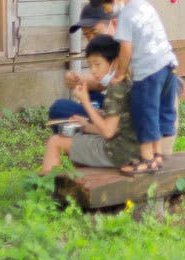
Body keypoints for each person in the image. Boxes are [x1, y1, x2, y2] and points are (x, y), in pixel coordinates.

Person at [87, 0, 180, 177]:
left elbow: (126, 48)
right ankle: (157, 155)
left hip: (149, 71)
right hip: (168, 65)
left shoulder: (126, 14)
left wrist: (120, 73)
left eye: (106, 6)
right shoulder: (144, 5)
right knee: (156, 112)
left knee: (143, 113)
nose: (108, 12)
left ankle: (146, 159)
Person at [37, 35, 138, 175]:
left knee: (55, 142)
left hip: (117, 153)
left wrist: (85, 101)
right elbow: (116, 128)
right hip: (133, 150)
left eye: (97, 64)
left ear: (114, 62)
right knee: (80, 139)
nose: (93, 70)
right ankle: (86, 184)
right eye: (90, 65)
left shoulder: (115, 90)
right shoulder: (127, 81)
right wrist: (86, 125)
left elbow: (108, 132)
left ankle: (44, 191)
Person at [46, 4, 115, 131]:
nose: (91, 40)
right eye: (87, 36)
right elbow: (103, 83)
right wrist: (78, 80)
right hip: (116, 109)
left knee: (59, 109)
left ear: (114, 24)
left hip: (125, 118)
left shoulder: (125, 50)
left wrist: (90, 123)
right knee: (90, 93)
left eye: (94, 33)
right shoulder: (109, 49)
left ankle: (87, 141)